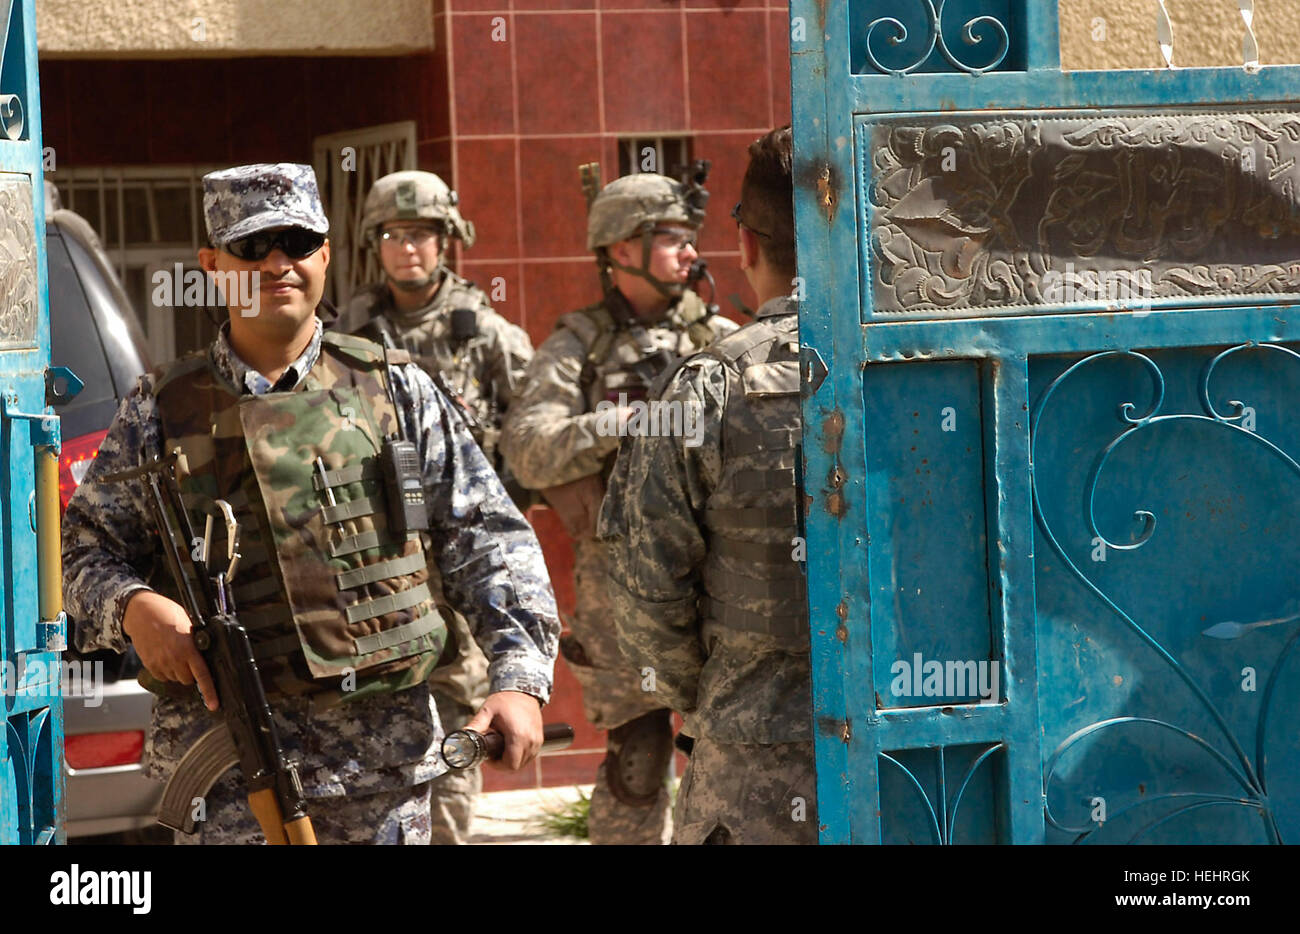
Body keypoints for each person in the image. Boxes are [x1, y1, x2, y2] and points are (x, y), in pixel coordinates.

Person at [62, 163, 559, 845]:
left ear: (325, 255)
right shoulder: (159, 410)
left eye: (297, 242)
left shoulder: (396, 390)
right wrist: (132, 608)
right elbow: (81, 550)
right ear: (212, 264)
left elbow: (490, 539)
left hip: (381, 770)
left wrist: (519, 679)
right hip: (227, 778)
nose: (278, 263)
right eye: (251, 247)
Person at [501, 167, 737, 844]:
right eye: (670, 239)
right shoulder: (579, 343)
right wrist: (616, 424)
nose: (690, 253)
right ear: (621, 250)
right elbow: (527, 448)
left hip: (720, 577)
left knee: (724, 747)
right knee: (639, 756)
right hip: (620, 587)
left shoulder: (717, 337)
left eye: (691, 239)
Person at [599, 128, 816, 844]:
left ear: (747, 246)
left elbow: (644, 589)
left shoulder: (714, 381)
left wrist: (715, 693)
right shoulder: (945, 361)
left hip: (758, 761)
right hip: (939, 753)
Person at [344, 170, 535, 844]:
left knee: (456, 724)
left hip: (454, 566)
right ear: (375, 244)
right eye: (394, 236)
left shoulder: (486, 334)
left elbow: (530, 444)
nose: (408, 250)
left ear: (447, 239)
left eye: (421, 234)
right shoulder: (347, 333)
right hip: (370, 569)